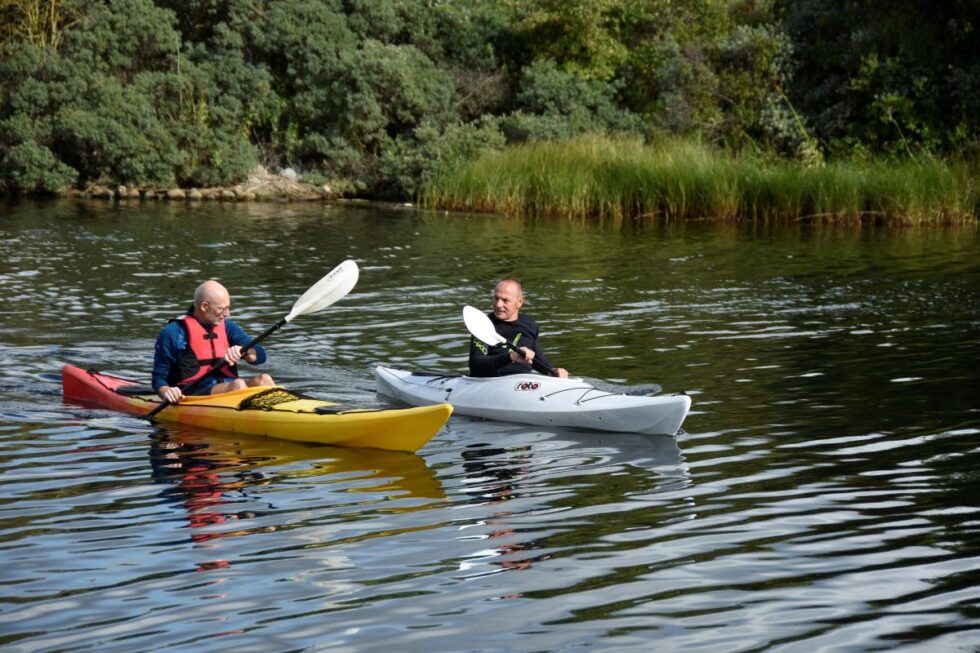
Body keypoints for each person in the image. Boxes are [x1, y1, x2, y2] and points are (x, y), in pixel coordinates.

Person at [152, 280, 274, 403]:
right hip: (193, 393)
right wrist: (167, 392)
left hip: (229, 387)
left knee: (264, 379)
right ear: (204, 306)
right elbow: (158, 378)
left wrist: (244, 351)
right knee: (238, 385)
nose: (227, 314)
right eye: (221, 309)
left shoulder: (228, 327)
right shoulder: (173, 332)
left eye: (228, 308)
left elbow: (261, 356)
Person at [468, 278, 569, 378]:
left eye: (505, 300)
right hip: (491, 382)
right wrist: (511, 356)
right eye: (496, 298)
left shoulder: (529, 324)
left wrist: (552, 371)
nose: (498, 304)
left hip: (523, 383)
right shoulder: (482, 325)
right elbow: (476, 365)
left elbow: (535, 359)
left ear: (519, 302)